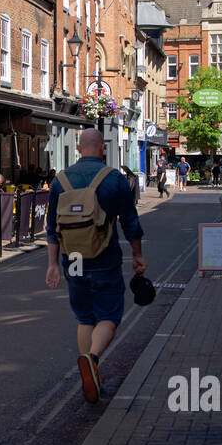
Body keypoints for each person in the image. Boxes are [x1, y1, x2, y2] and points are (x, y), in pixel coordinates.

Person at [46, 129, 147, 404]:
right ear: (102, 148)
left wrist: (52, 264)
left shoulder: (60, 180)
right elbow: (130, 222)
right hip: (104, 257)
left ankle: (91, 373)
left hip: (74, 259)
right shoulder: (114, 179)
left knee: (85, 317)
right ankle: (92, 359)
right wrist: (137, 255)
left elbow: (52, 228)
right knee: (109, 316)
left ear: (79, 148)